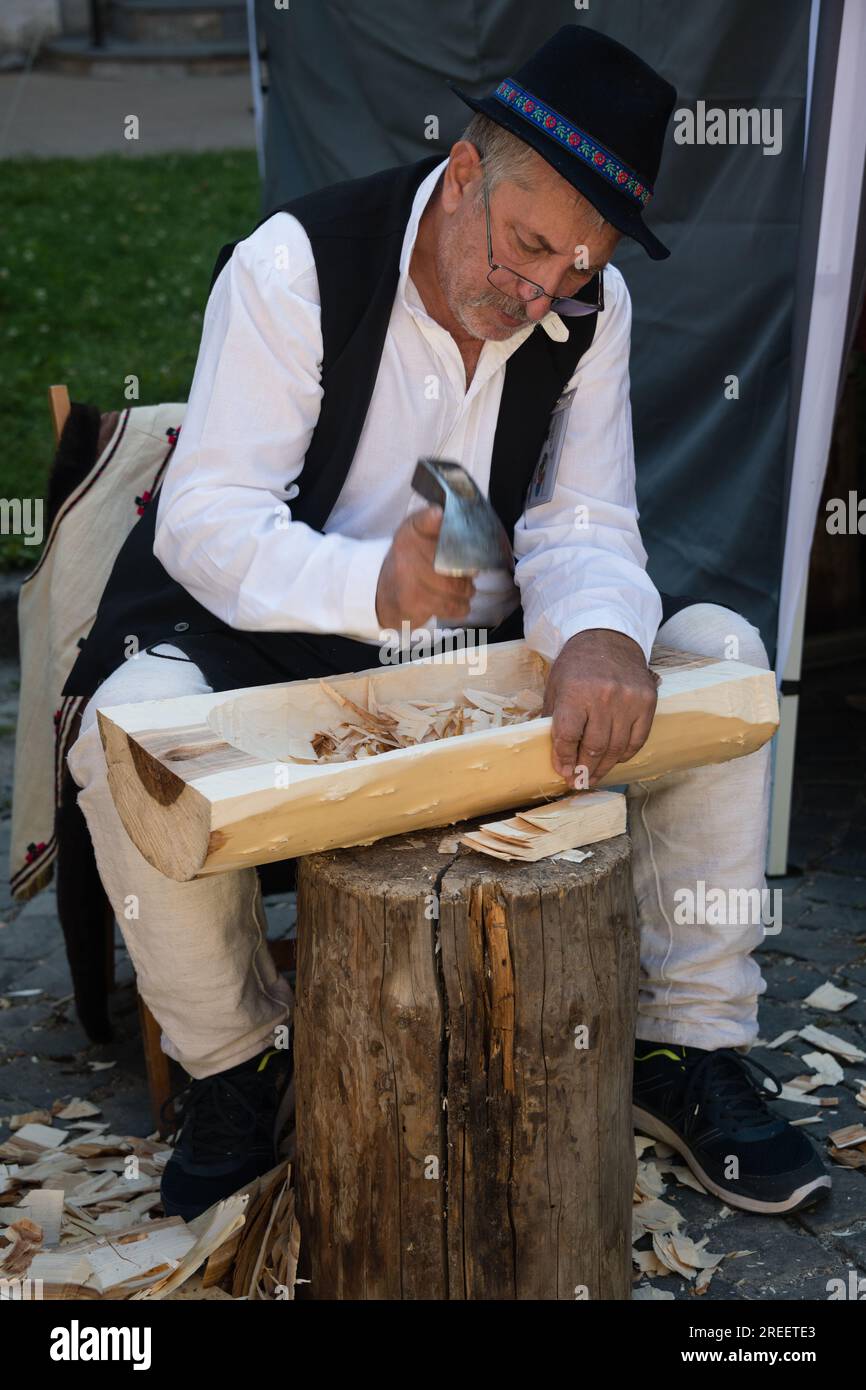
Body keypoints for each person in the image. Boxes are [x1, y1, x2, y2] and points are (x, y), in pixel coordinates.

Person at [64, 25, 830, 1220]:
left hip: (460, 648)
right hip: (264, 624)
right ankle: (235, 1067)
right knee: (122, 735)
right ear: (465, 176)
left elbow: (581, 517)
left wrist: (597, 635)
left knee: (721, 652)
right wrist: (366, 588)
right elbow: (206, 520)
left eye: (578, 267)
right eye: (530, 247)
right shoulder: (297, 267)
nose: (545, 293)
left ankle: (688, 1047)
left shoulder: (587, 305)